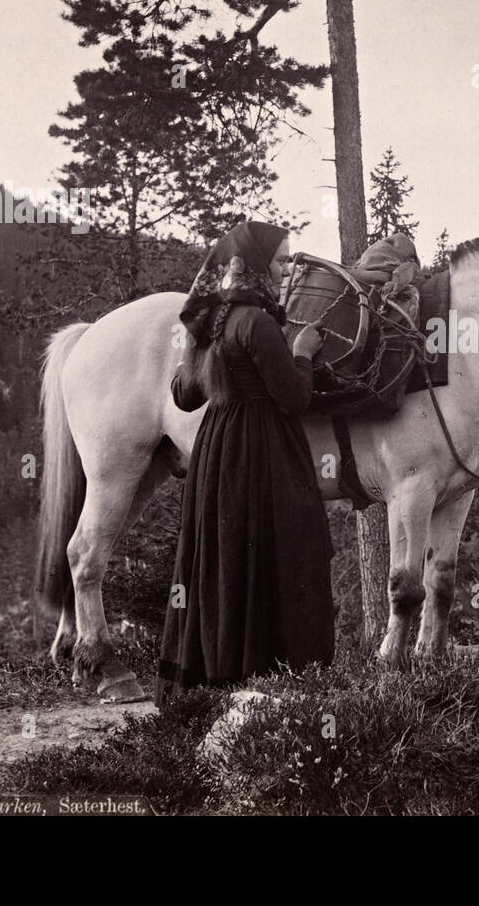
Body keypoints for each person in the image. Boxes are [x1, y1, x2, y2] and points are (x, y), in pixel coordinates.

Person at [155, 221, 333, 707]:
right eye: (279, 261)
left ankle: (220, 674)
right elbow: (293, 398)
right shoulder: (256, 323)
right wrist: (302, 353)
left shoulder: (212, 321)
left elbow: (184, 395)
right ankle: (276, 672)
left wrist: (187, 355)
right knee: (287, 547)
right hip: (261, 449)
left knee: (223, 556)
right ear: (256, 265)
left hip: (216, 452)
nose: (285, 270)